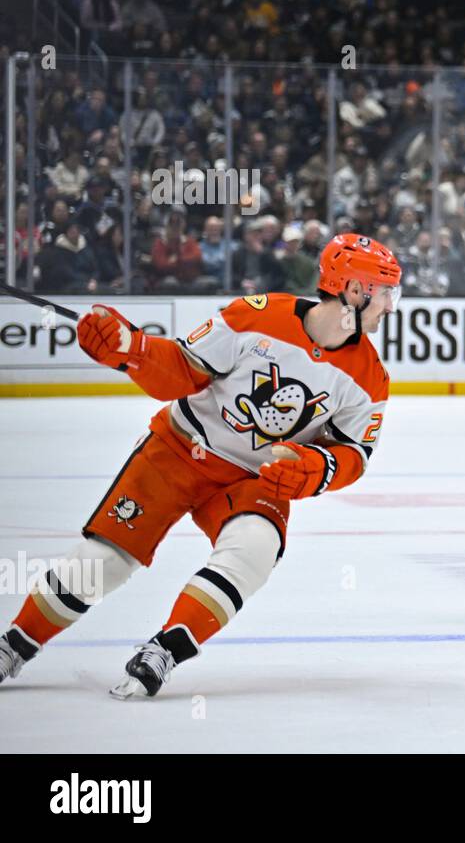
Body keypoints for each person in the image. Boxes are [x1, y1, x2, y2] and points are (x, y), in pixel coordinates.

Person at [0, 235, 401, 698]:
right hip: (179, 448)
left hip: (253, 478)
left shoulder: (371, 377)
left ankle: (165, 650)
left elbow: (354, 454)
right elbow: (184, 370)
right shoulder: (256, 314)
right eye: (385, 291)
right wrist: (133, 350)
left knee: (255, 548)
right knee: (104, 561)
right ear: (354, 291)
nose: (390, 306)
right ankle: (15, 643)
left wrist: (315, 469)